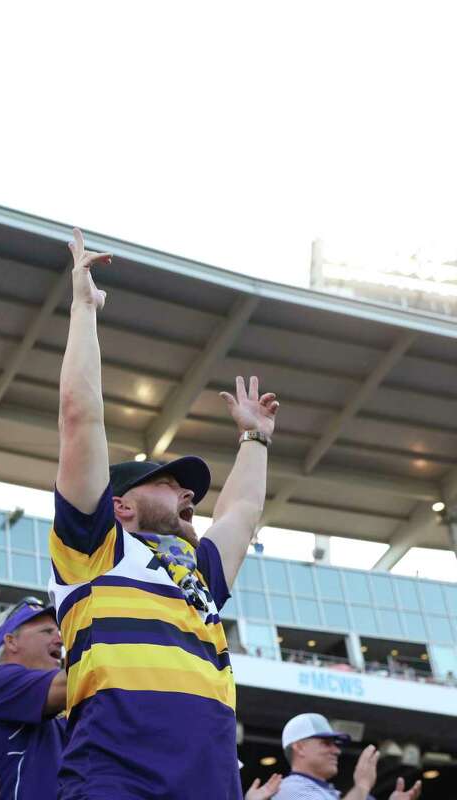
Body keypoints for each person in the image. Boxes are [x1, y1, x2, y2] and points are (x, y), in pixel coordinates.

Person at [49, 230, 279, 799]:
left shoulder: (199, 572)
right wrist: (83, 311)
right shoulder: (94, 551)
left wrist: (255, 440)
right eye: (170, 483)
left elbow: (244, 512)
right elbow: (82, 418)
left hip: (211, 786)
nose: (189, 495)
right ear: (120, 505)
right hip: (115, 784)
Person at [0, 598, 67, 800]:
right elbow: (81, 682)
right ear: (11, 641)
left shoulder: (55, 704)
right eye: (47, 632)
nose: (60, 639)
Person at [274, 714, 422, 800]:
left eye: (335, 744)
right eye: (326, 743)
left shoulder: (332, 793)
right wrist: (362, 785)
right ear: (299, 747)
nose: (336, 750)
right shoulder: (289, 789)